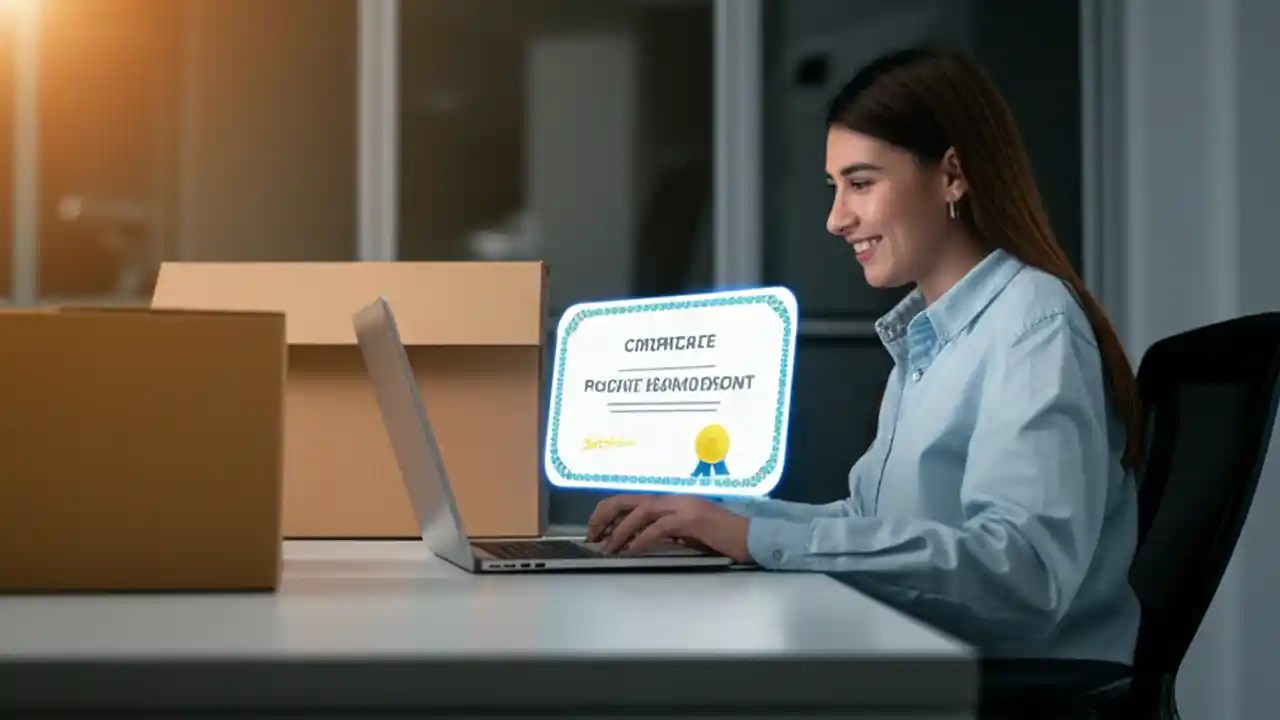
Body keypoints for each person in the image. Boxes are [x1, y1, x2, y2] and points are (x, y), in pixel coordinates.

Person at [585, 46, 1142, 664]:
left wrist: (752, 537)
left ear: (952, 175)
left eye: (861, 183)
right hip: (924, 654)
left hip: (1003, 685)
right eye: (833, 187)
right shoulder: (932, 337)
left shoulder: (1032, 324)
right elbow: (870, 519)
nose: (835, 218)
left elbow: (1021, 568)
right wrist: (708, 517)